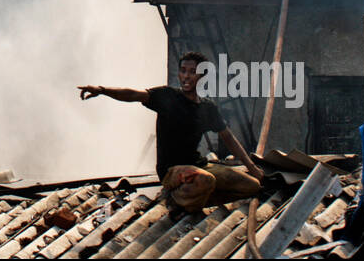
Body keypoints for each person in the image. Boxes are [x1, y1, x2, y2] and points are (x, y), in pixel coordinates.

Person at [78, 52, 263, 212]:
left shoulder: (207, 108)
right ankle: (175, 200)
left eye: (192, 72)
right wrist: (102, 90)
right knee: (206, 180)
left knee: (251, 186)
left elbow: (228, 137)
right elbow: (133, 95)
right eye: (183, 70)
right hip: (172, 171)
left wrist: (253, 168)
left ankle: (195, 200)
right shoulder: (168, 97)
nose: (186, 76)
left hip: (199, 166)